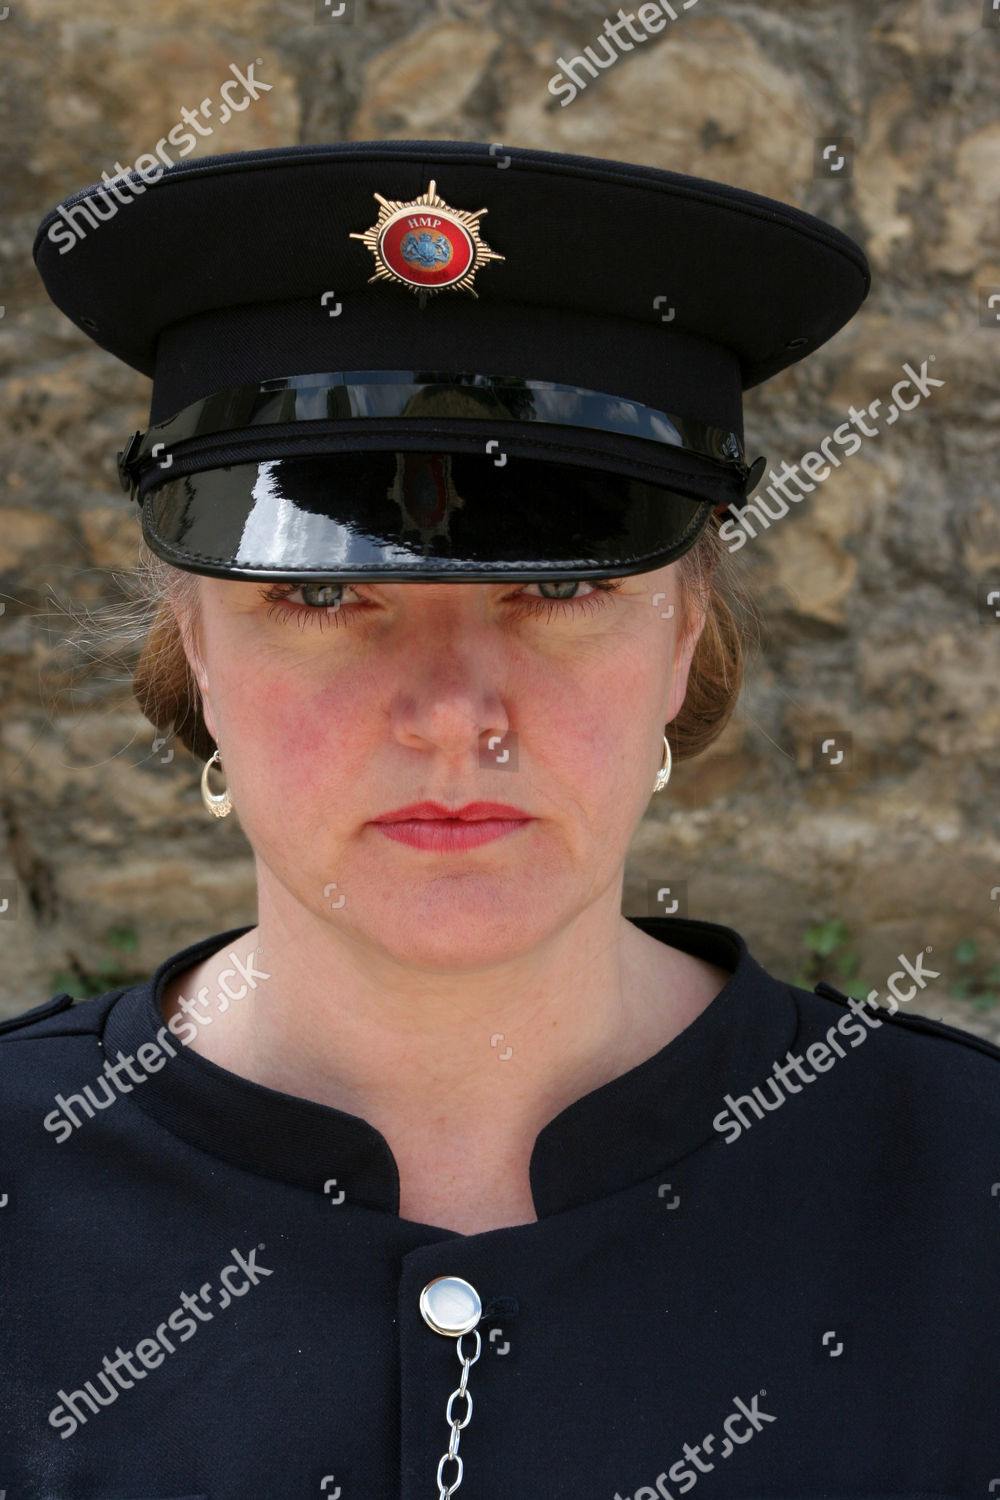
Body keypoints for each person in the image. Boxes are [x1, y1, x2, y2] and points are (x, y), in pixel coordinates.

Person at [3, 138, 996, 1496]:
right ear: (195, 643)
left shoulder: (958, 1198)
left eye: (564, 588)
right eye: (325, 595)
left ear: (684, 630)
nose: (455, 712)